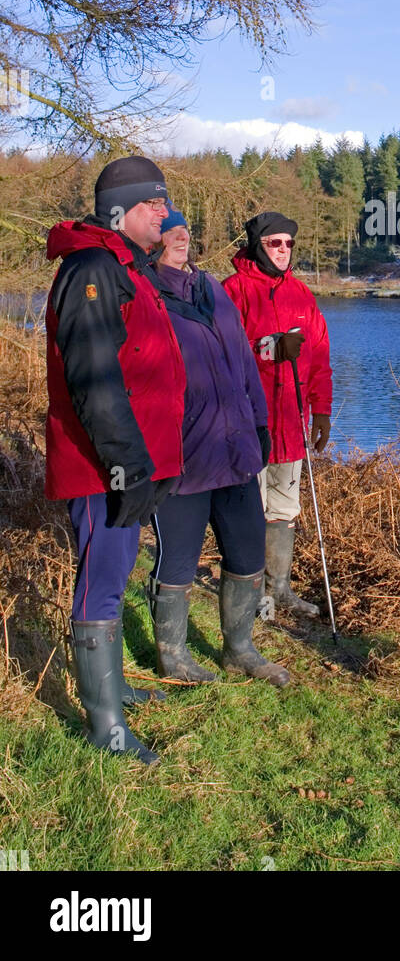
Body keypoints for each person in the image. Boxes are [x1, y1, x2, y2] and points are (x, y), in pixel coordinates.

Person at [45, 156, 186, 766]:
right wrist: (127, 464)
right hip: (102, 465)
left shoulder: (127, 267)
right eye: (153, 203)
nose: (165, 210)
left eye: (164, 201)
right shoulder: (92, 269)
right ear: (118, 211)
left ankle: (116, 689)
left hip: (128, 463)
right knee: (101, 584)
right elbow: (95, 381)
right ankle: (106, 729)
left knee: (118, 568)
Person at [147, 208, 289, 688]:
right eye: (170, 232)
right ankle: (174, 658)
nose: (181, 237)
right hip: (182, 457)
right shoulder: (143, 293)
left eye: (185, 230)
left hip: (235, 450)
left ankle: (240, 650)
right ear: (150, 240)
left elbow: (244, 361)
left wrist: (260, 422)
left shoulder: (210, 289)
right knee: (177, 562)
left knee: (247, 555)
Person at [223, 212, 332, 620]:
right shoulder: (232, 291)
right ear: (257, 246)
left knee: (285, 507)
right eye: (275, 244)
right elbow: (220, 357)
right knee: (250, 508)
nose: (284, 251)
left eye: (289, 244)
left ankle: (279, 590)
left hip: (292, 423)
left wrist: (321, 411)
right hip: (247, 424)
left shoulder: (302, 295)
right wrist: (265, 349)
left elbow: (320, 359)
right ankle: (247, 597)